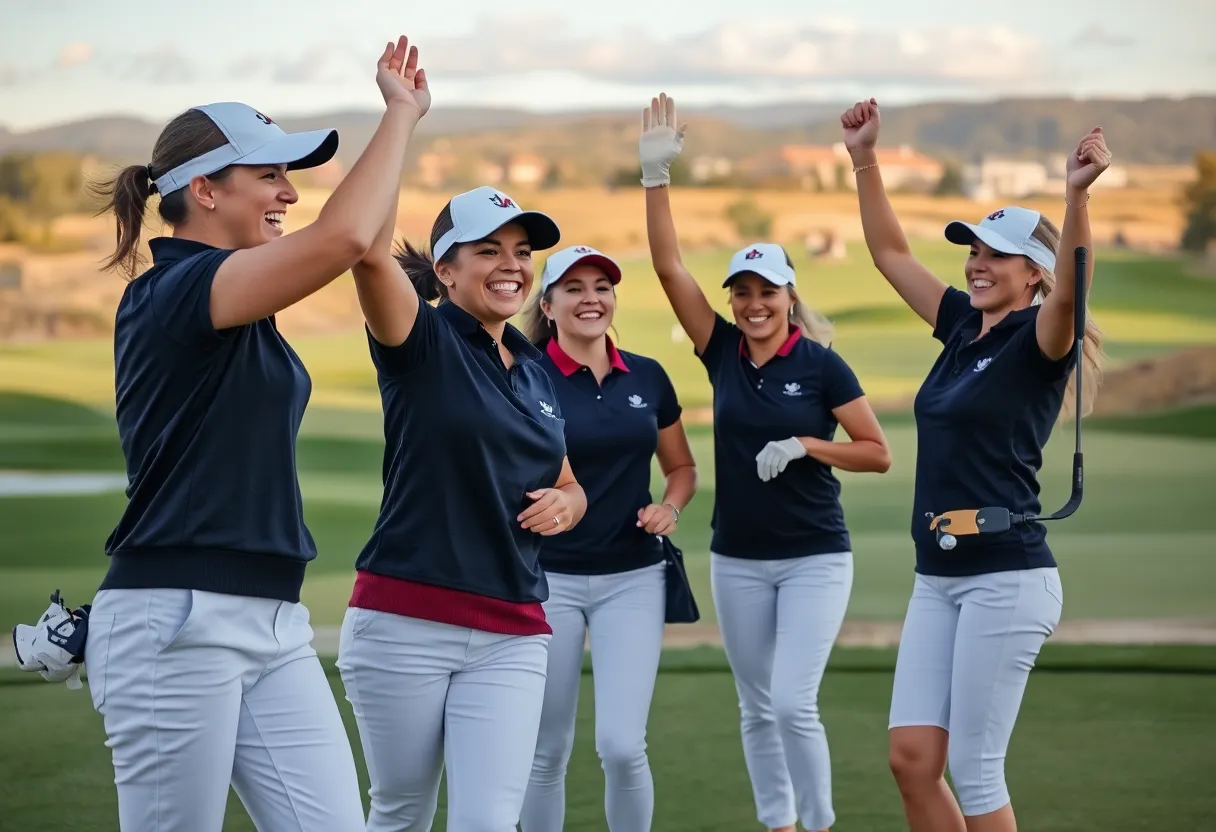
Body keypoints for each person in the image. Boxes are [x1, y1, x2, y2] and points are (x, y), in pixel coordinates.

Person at [54, 34, 430, 832]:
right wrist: (397, 117)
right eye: (269, 174)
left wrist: (402, 130)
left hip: (272, 618)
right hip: (176, 618)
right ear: (205, 190)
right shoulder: (174, 294)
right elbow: (343, 239)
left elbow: (361, 248)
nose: (288, 192)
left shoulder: (238, 300)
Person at [840, 97, 1109, 832]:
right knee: (911, 760)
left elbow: (1075, 296)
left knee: (975, 766)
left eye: (996, 256)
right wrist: (865, 157)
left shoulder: (1037, 343)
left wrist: (1076, 197)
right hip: (941, 574)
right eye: (973, 252)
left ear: (1036, 274)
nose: (976, 264)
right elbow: (892, 255)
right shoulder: (963, 327)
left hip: (1007, 576)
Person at [638, 92, 893, 832]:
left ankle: (818, 824)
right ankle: (776, 823)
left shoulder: (821, 367)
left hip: (814, 554)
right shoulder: (720, 353)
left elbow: (877, 452)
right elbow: (667, 267)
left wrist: (809, 444)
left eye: (766, 292)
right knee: (754, 706)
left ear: (789, 294)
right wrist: (656, 176)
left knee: (790, 700)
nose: (753, 304)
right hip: (738, 556)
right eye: (742, 292)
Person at [334, 182, 588, 831]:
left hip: (514, 629)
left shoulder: (534, 369)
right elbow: (367, 253)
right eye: (488, 250)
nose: (512, 264)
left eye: (522, 250)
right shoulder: (419, 341)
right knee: (402, 813)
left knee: (489, 822)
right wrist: (402, 117)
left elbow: (566, 480)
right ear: (444, 271)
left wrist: (569, 502)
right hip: (405, 621)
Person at [516, 244, 698, 832]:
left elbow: (682, 468)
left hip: (634, 578)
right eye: (573, 288)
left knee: (623, 746)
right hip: (548, 579)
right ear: (548, 304)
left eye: (602, 287)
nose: (590, 299)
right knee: (546, 750)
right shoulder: (523, 374)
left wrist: (669, 507)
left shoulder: (647, 375)